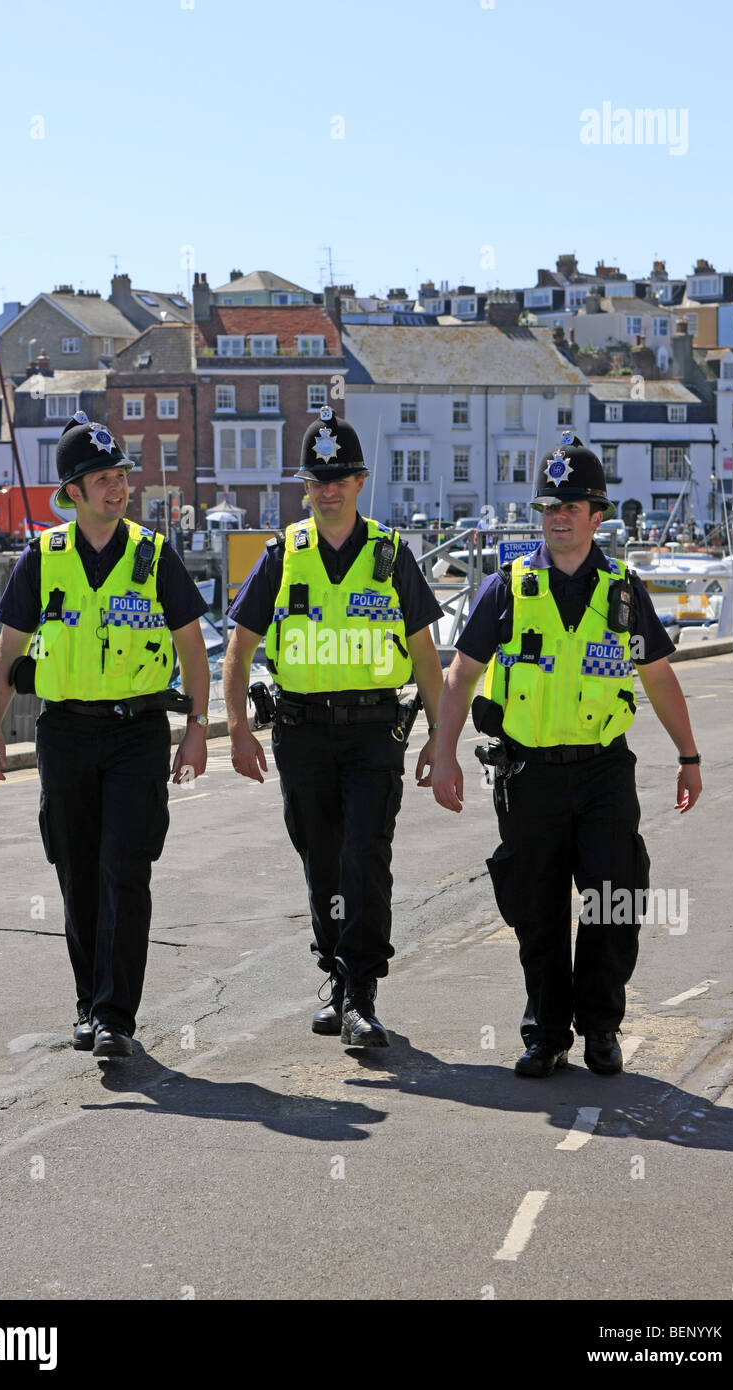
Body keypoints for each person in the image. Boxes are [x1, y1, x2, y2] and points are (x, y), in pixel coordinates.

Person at [427, 433, 702, 1077]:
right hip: (529, 776)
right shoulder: (508, 589)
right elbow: (461, 674)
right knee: (538, 911)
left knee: (615, 899)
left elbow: (659, 679)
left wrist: (688, 757)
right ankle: (546, 1033)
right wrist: (443, 755)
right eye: (550, 504)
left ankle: (601, 1026)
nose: (559, 515)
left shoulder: (625, 594)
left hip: (604, 771)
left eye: (573, 505)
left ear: (597, 515)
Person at [0, 412, 211, 1058]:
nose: (118, 488)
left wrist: (196, 730)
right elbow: (6, 653)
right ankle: (88, 1003)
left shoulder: (154, 554)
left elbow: (194, 650)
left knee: (125, 870)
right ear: (72, 493)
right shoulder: (43, 559)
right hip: (66, 734)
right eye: (103, 479)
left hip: (139, 731)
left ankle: (116, 1016)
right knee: (78, 873)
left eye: (121, 476)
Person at [223, 406, 444, 1047]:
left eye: (341, 477)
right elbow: (239, 650)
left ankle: (362, 991)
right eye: (319, 479)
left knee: (364, 856)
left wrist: (441, 737)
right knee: (321, 859)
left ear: (360, 481)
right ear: (306, 486)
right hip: (301, 734)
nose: (330, 489)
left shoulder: (389, 552)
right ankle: (338, 976)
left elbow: (427, 658)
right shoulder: (282, 555)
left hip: (375, 732)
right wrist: (237, 728)